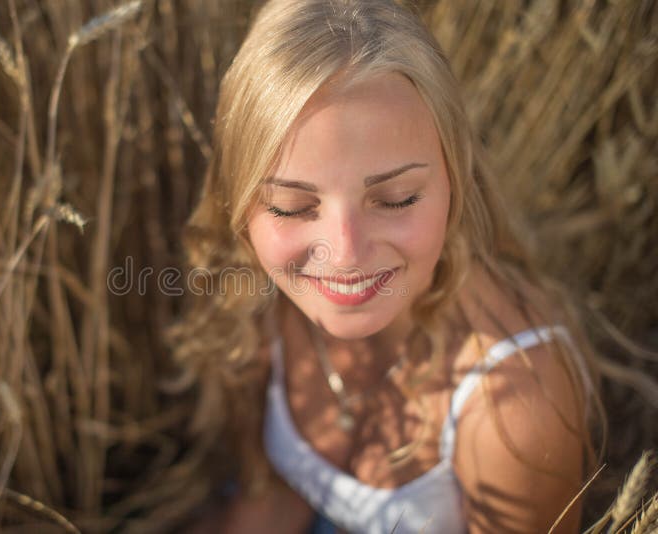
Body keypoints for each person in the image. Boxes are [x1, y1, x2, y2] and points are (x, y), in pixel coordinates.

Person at [168, 1, 603, 532]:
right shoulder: (256, 302)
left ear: (454, 180)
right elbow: (271, 501)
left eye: (396, 199)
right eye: (292, 206)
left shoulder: (513, 403)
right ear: (239, 206)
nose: (345, 253)